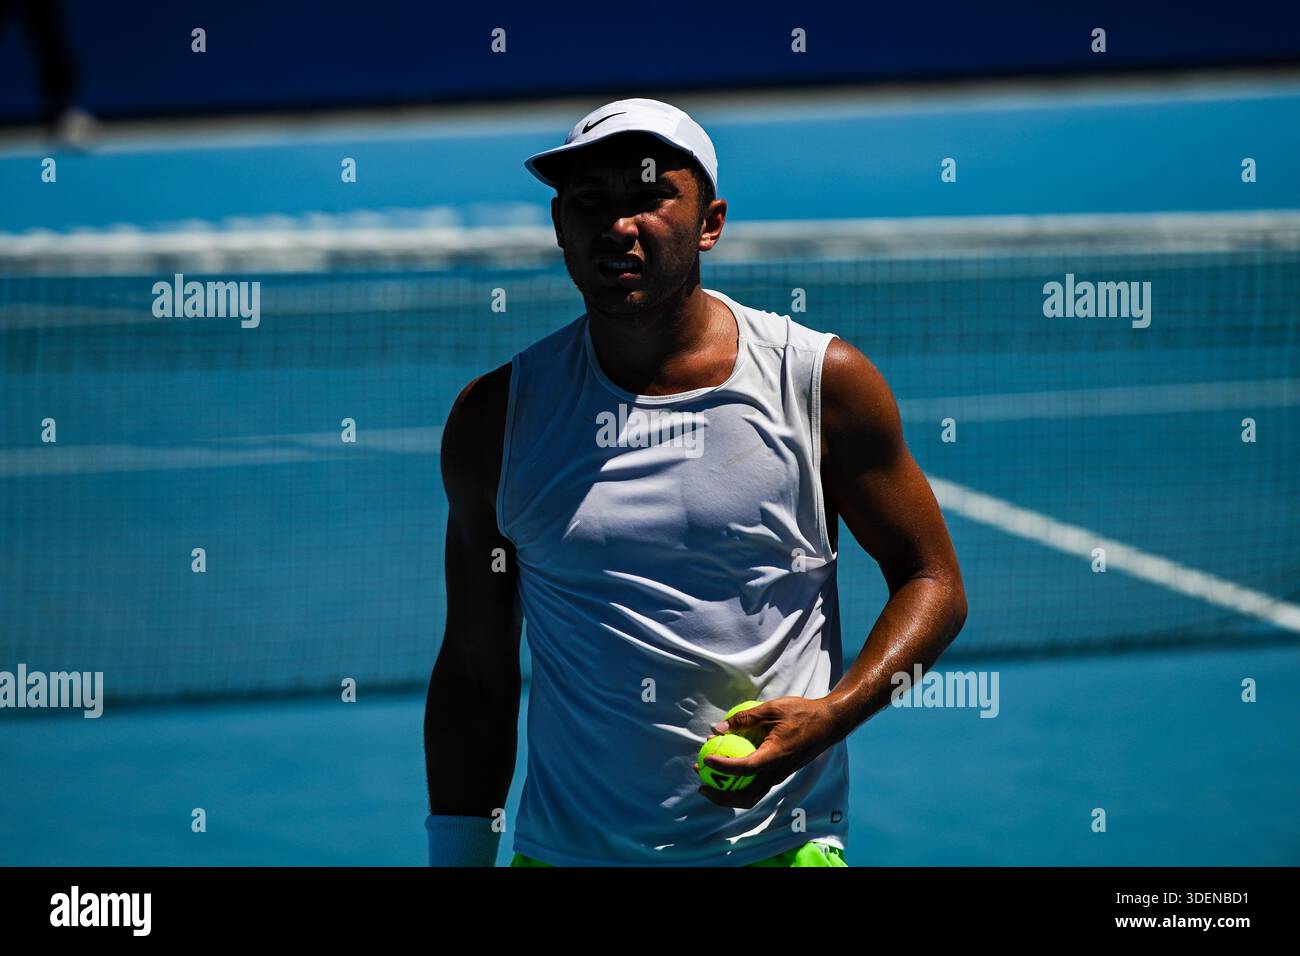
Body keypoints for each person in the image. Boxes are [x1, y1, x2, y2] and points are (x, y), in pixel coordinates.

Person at [424, 98, 966, 867]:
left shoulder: (821, 384)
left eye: (649, 196)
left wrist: (832, 714)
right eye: (591, 202)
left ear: (709, 222)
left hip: (780, 851)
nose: (619, 225)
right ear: (559, 227)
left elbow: (933, 580)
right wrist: (457, 859)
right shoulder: (495, 421)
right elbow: (475, 672)